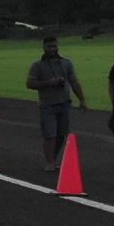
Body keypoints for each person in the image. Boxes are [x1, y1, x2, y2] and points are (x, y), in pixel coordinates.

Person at [25, 35, 87, 171]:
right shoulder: (38, 65)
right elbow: (29, 83)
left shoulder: (66, 63)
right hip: (47, 105)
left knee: (61, 135)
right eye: (49, 47)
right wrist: (49, 83)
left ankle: (53, 158)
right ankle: (50, 162)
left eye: (54, 46)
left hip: (65, 104)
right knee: (50, 135)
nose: (52, 49)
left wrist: (82, 99)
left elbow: (74, 81)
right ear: (43, 48)